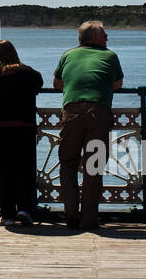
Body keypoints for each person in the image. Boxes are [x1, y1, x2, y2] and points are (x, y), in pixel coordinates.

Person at [52, 21, 123, 229]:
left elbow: (57, 84)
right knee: (93, 167)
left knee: (68, 164)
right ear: (93, 38)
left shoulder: (67, 55)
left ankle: (71, 214)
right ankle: (89, 218)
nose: (107, 38)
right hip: (98, 114)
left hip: (71, 113)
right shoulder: (110, 56)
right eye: (104, 34)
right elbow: (117, 84)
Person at [0, 40, 44, 226]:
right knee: (23, 168)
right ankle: (24, 209)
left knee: (2, 170)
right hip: (21, 126)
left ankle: (7, 214)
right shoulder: (26, 72)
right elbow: (39, 83)